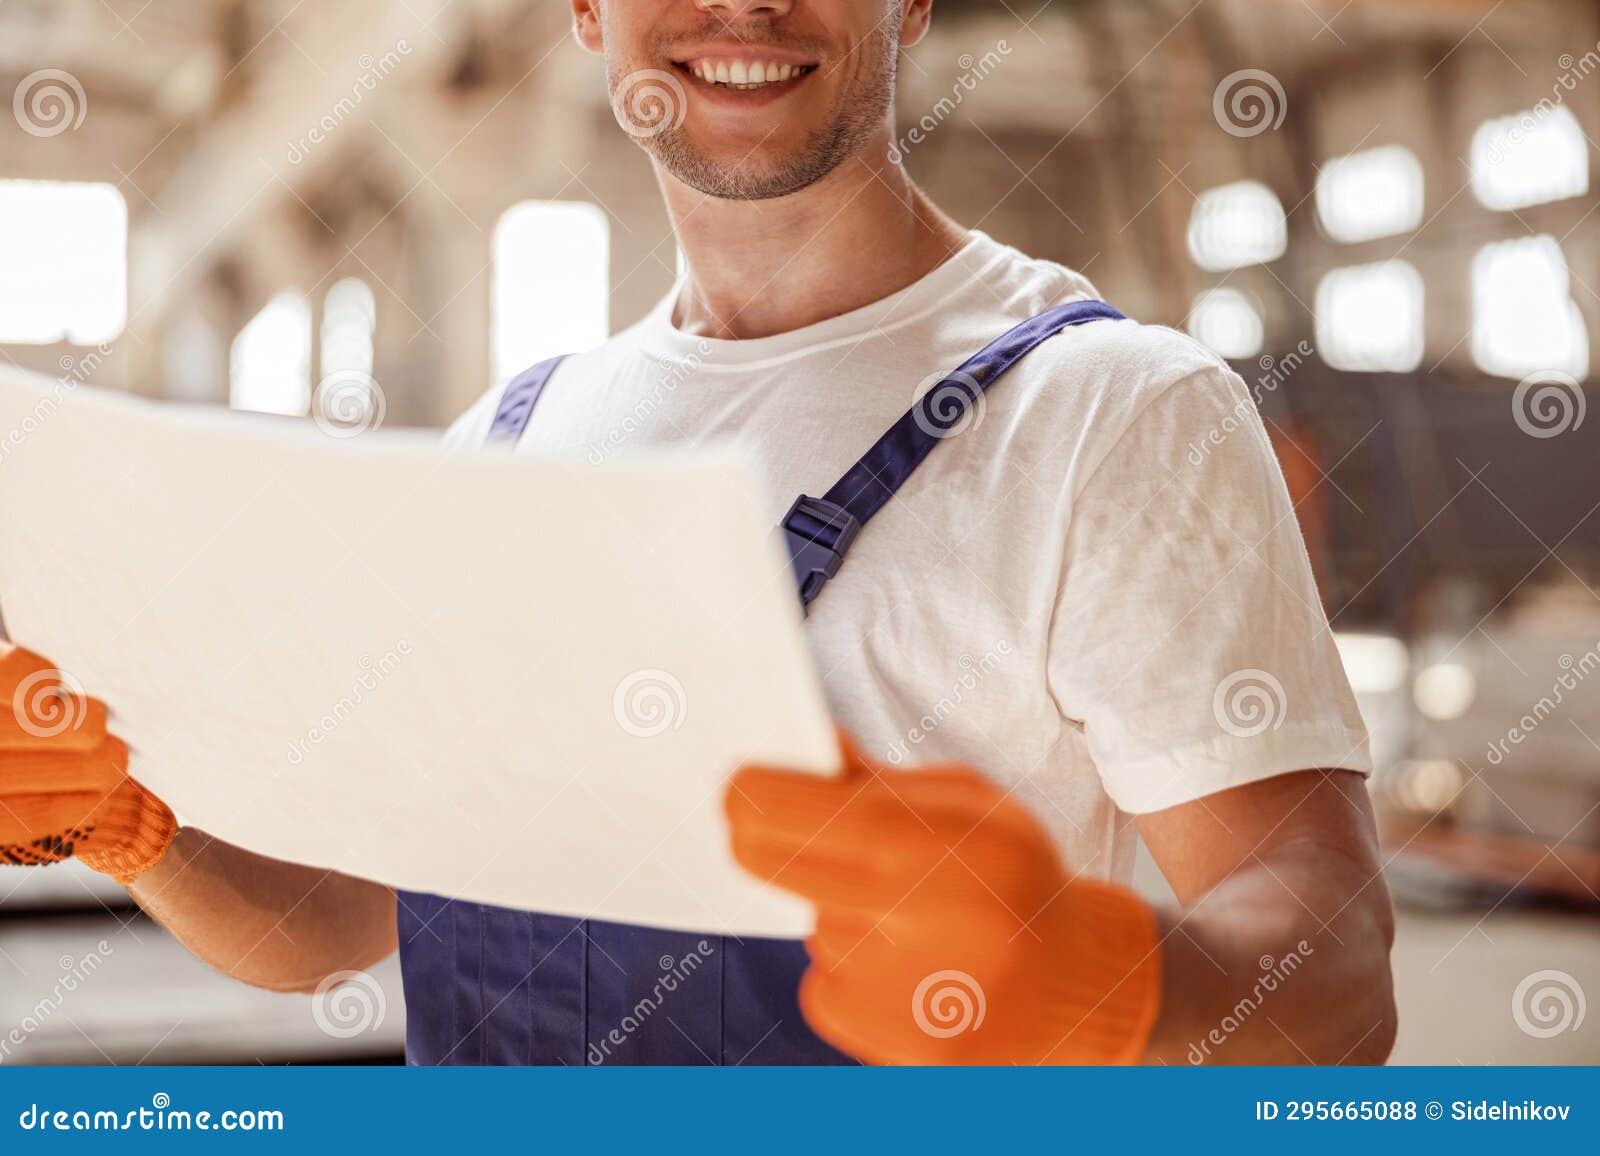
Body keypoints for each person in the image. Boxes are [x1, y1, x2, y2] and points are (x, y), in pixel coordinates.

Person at [0, 0, 1395, 1065]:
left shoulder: (1112, 413)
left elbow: (1338, 973)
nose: (746, 5)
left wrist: (1113, 979)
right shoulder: (512, 439)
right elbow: (340, 923)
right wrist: (131, 826)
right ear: (586, 10)